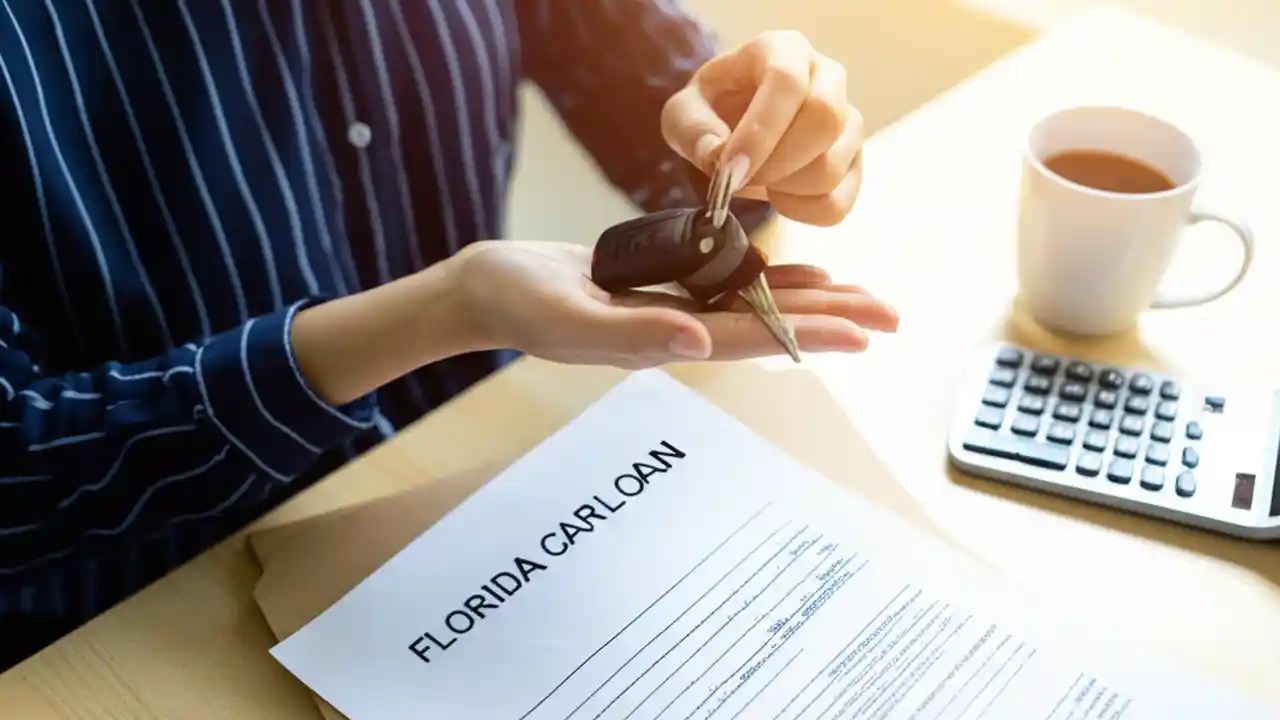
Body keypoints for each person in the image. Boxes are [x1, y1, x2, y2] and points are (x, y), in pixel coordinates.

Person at [0, 1, 896, 667]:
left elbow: (668, 127)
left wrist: (773, 139)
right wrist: (442, 310)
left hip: (498, 513)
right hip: (137, 615)